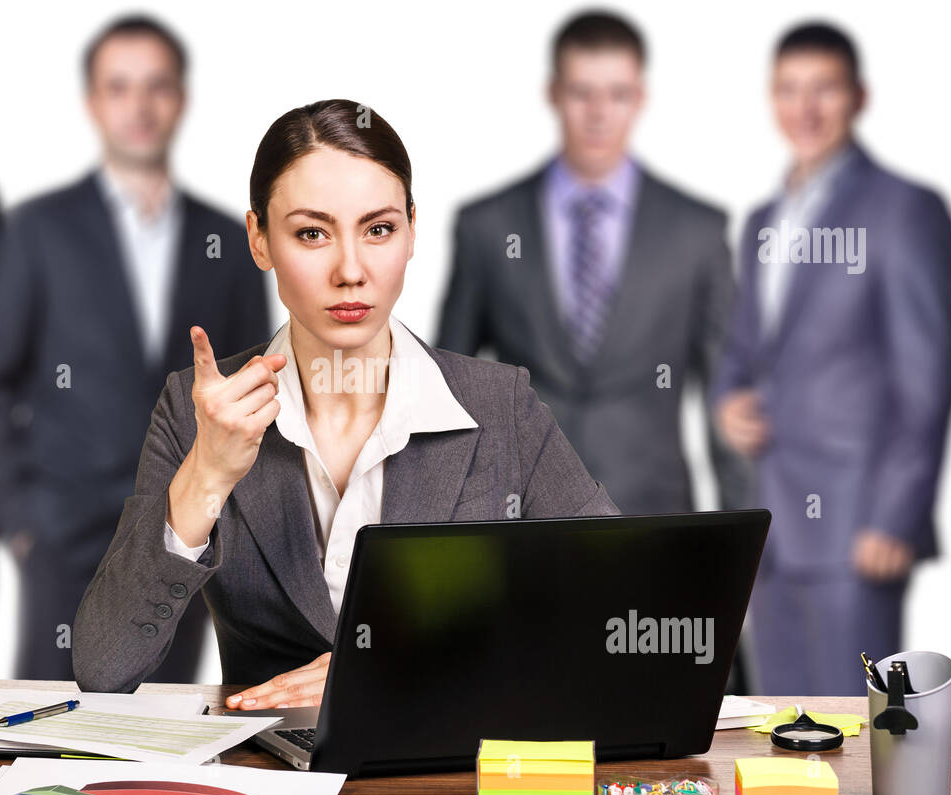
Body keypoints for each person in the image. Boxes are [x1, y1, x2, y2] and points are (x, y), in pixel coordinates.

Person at [73, 99, 618, 705]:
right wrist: (206, 473)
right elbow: (104, 667)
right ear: (259, 240)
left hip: (446, 776)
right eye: (312, 233)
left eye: (379, 229)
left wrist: (398, 663)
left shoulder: (500, 406)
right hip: (270, 777)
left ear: (412, 230)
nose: (351, 270)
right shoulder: (198, 409)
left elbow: (620, 610)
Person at [0, 15, 268, 682]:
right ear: (93, 102)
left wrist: (223, 511)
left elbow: (252, 380)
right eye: (119, 87)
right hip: (62, 532)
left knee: (159, 732)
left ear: (181, 99)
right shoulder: (37, 229)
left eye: (156, 86)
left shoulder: (227, 240)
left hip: (180, 523)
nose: (139, 106)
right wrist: (20, 524)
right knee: (46, 732)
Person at [712, 22, 951, 695]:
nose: (806, 108)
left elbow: (929, 375)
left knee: (855, 735)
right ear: (772, 99)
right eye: (790, 90)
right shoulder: (764, 219)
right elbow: (745, 349)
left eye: (824, 89)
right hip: (772, 525)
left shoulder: (904, 211)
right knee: (783, 733)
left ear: (858, 97)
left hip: (858, 527)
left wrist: (896, 514)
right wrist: (726, 402)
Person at [437, 10, 749, 518]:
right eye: (582, 92)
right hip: (521, 522)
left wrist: (744, 545)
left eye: (618, 94)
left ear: (640, 98)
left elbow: (727, 401)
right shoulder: (487, 226)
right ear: (553, 94)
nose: (599, 113)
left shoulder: (699, 232)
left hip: (654, 520)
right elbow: (447, 392)